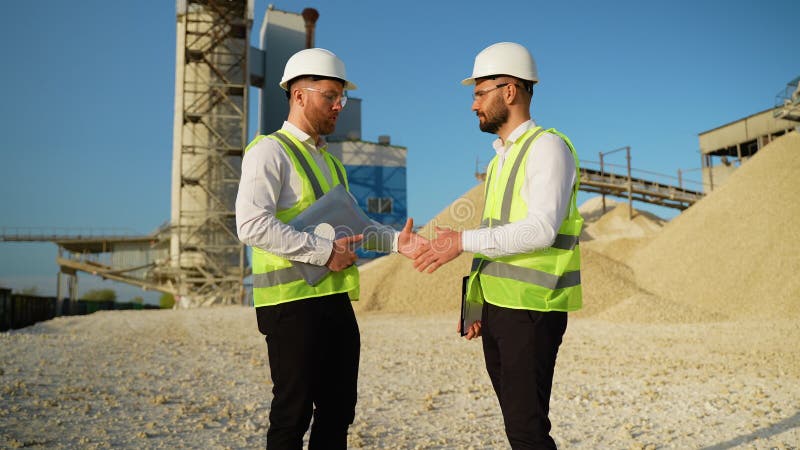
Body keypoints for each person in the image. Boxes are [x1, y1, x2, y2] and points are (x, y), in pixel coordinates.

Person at [235, 47, 427, 449]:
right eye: (330, 96)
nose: (339, 105)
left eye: (342, 97)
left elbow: (354, 227)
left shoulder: (331, 163)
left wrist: (396, 241)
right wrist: (324, 253)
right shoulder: (269, 151)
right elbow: (251, 224)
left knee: (339, 411)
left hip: (334, 301)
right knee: (292, 415)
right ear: (299, 95)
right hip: (290, 305)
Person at [414, 42, 583, 449]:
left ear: (509, 91)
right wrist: (476, 305)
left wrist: (461, 242)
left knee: (527, 429)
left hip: (532, 308)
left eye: (478, 92)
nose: (473, 105)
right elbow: (497, 238)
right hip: (500, 309)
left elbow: (540, 229)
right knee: (518, 425)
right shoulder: (499, 161)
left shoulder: (547, 147)